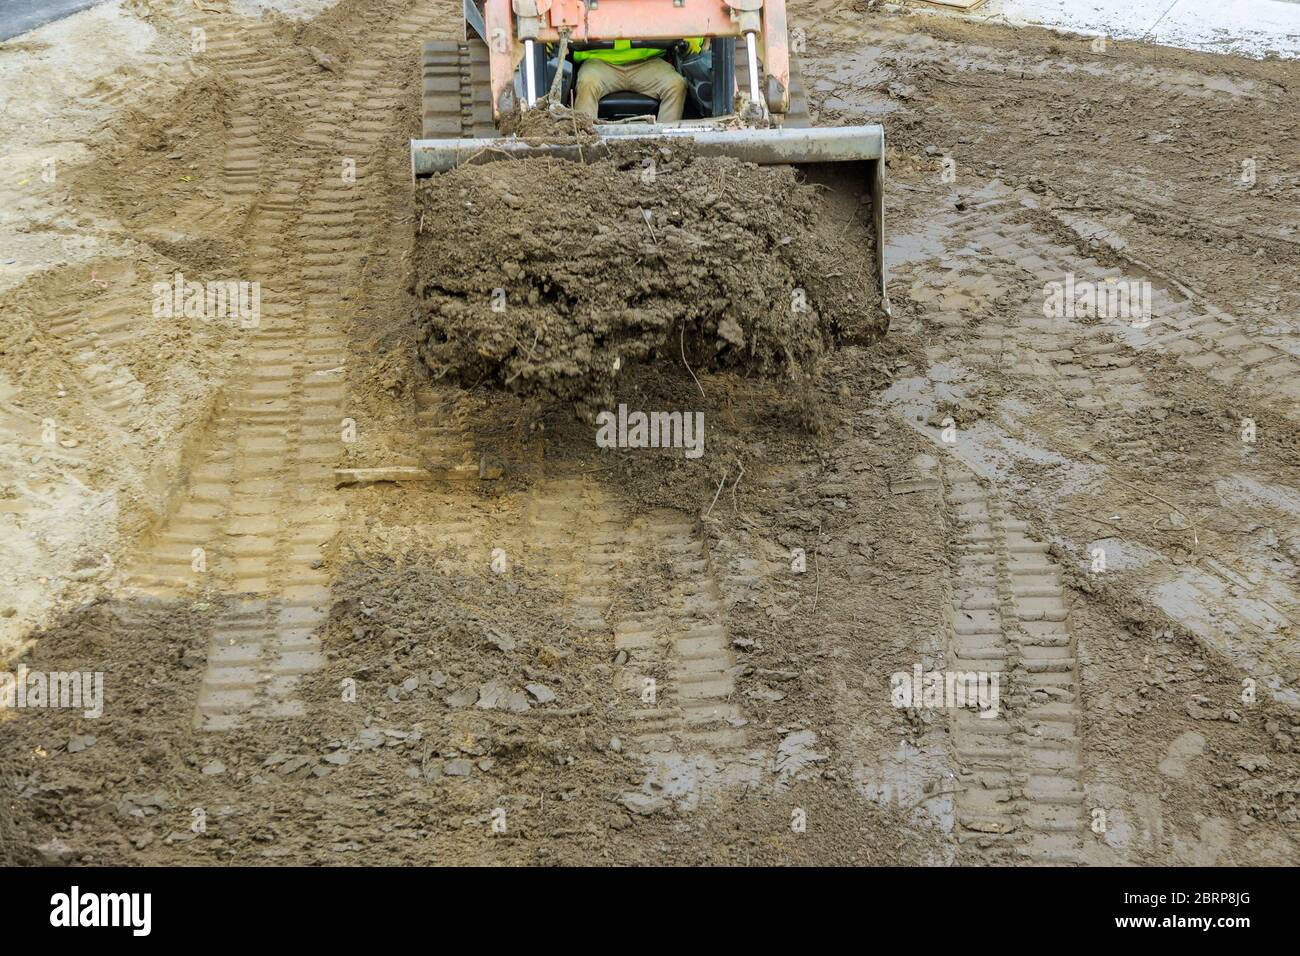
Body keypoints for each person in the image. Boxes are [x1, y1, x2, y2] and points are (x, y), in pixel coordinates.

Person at [572, 38, 704, 123]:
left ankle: (665, 148)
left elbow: (686, 11)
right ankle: (585, 146)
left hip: (648, 61)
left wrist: (692, 35)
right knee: (587, 82)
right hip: (599, 61)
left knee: (676, 84)